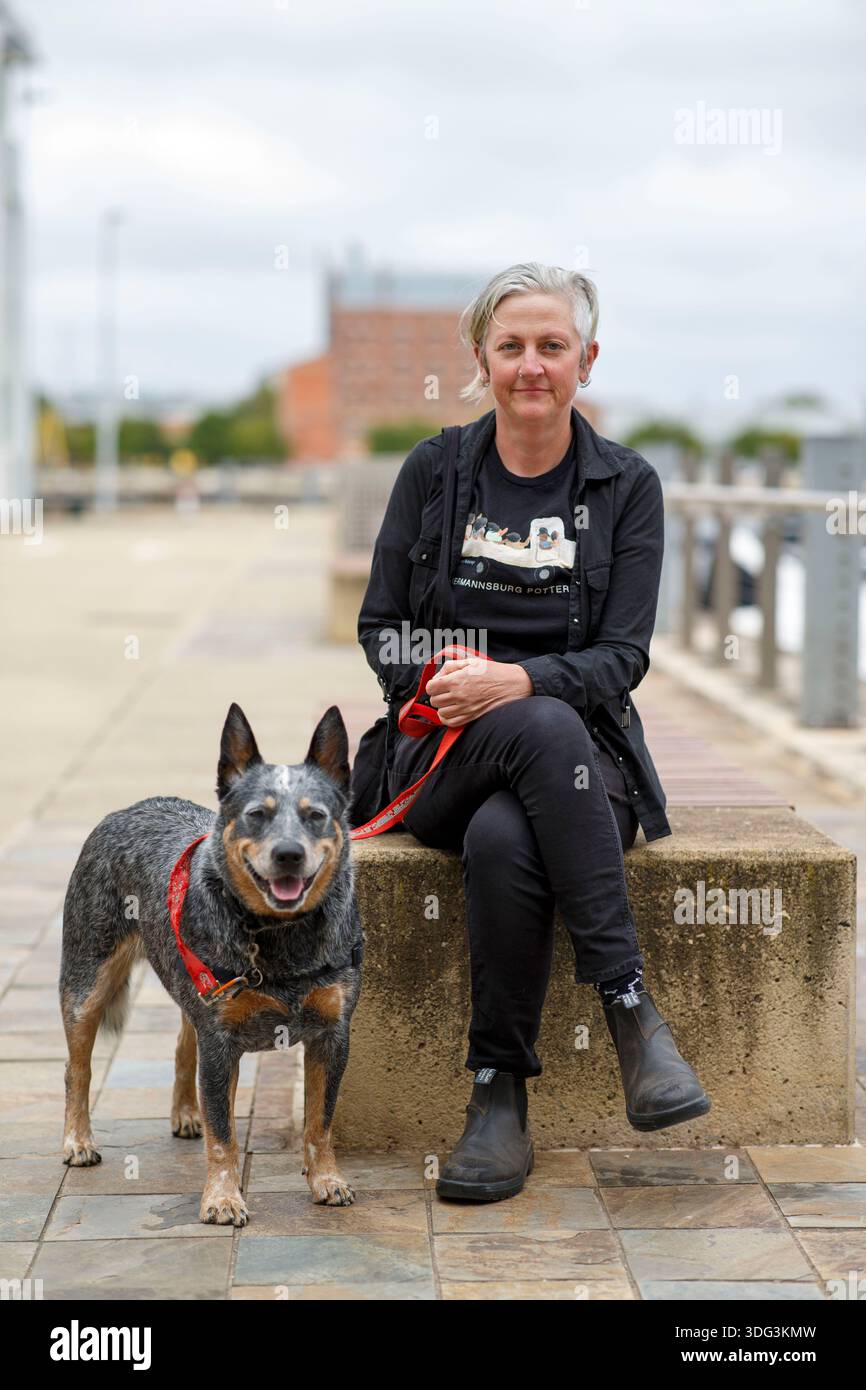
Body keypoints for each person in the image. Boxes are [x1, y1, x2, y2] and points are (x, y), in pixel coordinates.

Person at [355, 261, 709, 1202]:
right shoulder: (434, 471)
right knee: (537, 729)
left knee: (509, 828)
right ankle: (631, 1013)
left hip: (579, 771)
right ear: (482, 357)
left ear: (585, 360)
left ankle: (497, 1099)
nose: (531, 365)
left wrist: (519, 679)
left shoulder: (627, 486)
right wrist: (448, 679)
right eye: (511, 346)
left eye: (552, 346)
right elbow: (381, 625)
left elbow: (623, 656)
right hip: (436, 755)